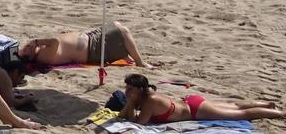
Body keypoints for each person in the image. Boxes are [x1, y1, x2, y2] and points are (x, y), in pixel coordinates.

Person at [120, 73, 282, 124]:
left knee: (242, 114)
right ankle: (267, 104)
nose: (127, 91)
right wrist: (129, 103)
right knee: (234, 106)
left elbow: (139, 123)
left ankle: (281, 114)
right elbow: (123, 115)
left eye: (130, 89)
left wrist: (130, 103)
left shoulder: (150, 101)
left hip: (195, 110)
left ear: (140, 89)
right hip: (192, 102)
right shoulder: (147, 95)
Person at [20, 24, 144, 67]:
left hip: (91, 38)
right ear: (30, 58)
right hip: (93, 49)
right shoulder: (44, 57)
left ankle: (125, 55)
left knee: (116, 24)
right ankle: (140, 62)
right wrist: (36, 42)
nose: (27, 46)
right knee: (123, 31)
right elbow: (55, 42)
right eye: (26, 50)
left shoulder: (42, 51)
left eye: (25, 46)